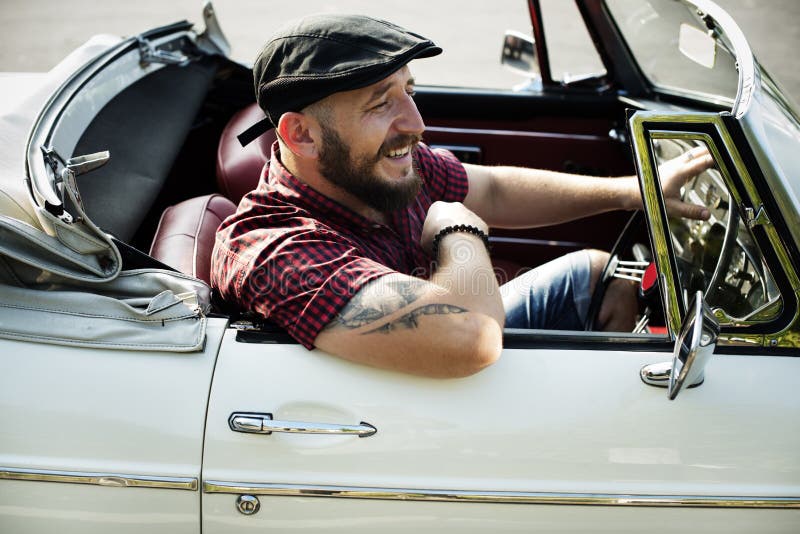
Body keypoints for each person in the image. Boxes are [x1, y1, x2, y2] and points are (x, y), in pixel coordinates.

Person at [211, 14, 713, 378]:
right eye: (381, 104)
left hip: (443, 346)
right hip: (411, 402)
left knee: (596, 276)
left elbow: (490, 188)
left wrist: (634, 191)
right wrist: (458, 228)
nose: (415, 124)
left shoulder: (375, 170)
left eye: (410, 90)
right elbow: (471, 337)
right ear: (302, 136)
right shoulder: (272, 251)